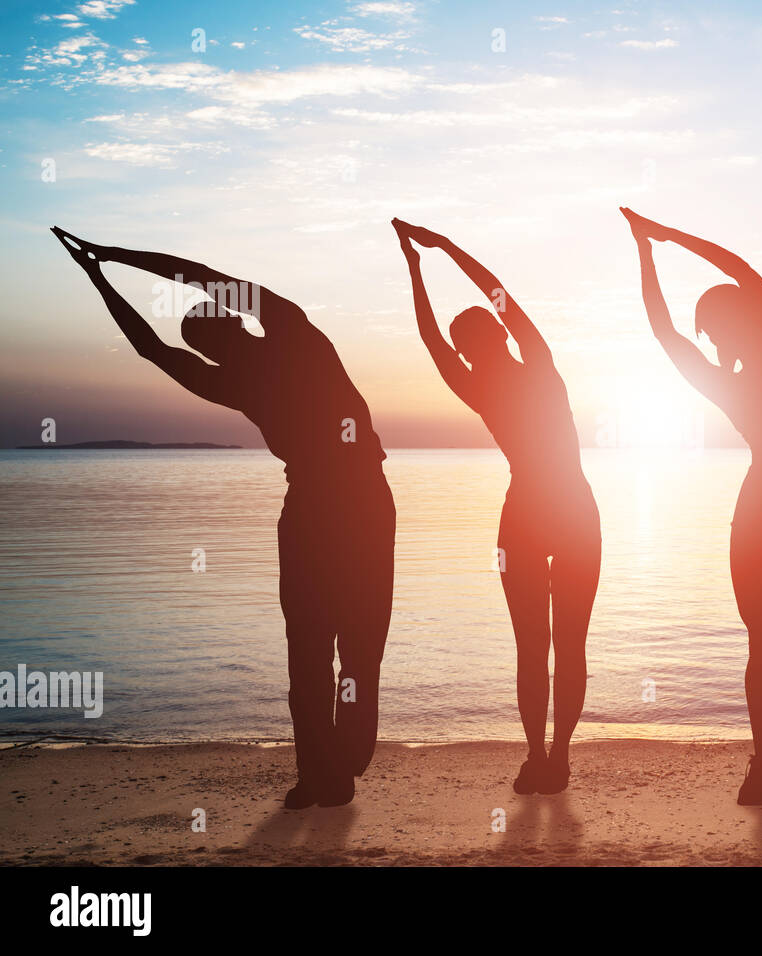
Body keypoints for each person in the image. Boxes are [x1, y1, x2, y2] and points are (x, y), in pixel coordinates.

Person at [53, 226, 395, 809]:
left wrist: (111, 262)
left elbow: (192, 282)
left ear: (237, 322)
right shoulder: (239, 377)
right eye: (208, 347)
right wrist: (102, 273)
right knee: (311, 646)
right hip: (319, 505)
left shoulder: (293, 332)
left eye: (212, 338)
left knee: (355, 644)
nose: (214, 353)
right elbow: (154, 346)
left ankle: (343, 758)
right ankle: (324, 773)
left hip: (357, 500)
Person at [622, 208, 762, 806]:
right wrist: (653, 250)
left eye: (716, 331)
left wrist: (659, 242)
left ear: (744, 323)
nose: (712, 344)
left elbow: (738, 273)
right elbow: (667, 333)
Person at [392, 218, 600, 795]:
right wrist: (438, 252)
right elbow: (486, 306)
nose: (468, 353)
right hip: (556, 514)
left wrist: (423, 263)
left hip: (546, 514)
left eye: (470, 345)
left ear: (486, 345)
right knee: (549, 645)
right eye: (467, 349)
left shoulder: (502, 379)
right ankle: (549, 756)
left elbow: (437, 334)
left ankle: (548, 755)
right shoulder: (527, 369)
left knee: (542, 645)